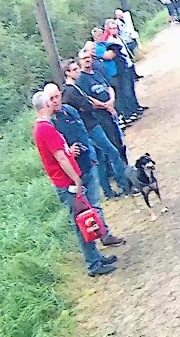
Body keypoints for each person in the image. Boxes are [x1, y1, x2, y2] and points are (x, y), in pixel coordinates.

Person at [32, 90, 123, 277]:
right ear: (46, 105)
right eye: (50, 100)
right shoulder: (46, 129)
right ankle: (93, 264)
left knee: (86, 218)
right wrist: (76, 178)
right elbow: (61, 157)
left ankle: (96, 257)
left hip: (67, 181)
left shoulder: (44, 127)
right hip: (67, 183)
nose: (54, 102)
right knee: (81, 222)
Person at [45, 83, 129, 240]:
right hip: (70, 173)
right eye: (51, 98)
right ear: (46, 101)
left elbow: (84, 133)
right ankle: (93, 255)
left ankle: (105, 235)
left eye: (57, 96)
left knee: (96, 205)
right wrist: (68, 150)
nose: (55, 101)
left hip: (87, 164)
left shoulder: (70, 111)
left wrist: (91, 156)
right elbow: (54, 151)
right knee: (81, 214)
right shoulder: (50, 123)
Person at [63, 59, 130, 197]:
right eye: (74, 70)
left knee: (100, 159)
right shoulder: (70, 91)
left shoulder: (74, 88)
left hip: (89, 125)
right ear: (67, 73)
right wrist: (94, 106)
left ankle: (107, 191)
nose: (78, 72)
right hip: (90, 127)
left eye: (77, 69)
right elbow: (86, 105)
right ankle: (124, 185)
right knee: (113, 153)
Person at [75, 51, 128, 164]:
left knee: (119, 141)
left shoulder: (97, 74)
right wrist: (104, 105)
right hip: (100, 116)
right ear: (80, 61)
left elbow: (109, 87)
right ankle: (121, 172)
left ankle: (127, 168)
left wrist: (111, 101)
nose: (87, 60)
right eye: (84, 58)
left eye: (88, 57)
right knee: (112, 144)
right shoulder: (81, 80)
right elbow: (87, 98)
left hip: (111, 112)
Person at [94, 27, 140, 121]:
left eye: (101, 34)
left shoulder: (105, 44)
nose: (100, 37)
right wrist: (114, 51)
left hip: (118, 71)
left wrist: (113, 50)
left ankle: (129, 112)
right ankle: (123, 116)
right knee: (118, 96)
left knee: (124, 93)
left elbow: (117, 48)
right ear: (94, 38)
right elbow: (108, 56)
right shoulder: (97, 48)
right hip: (110, 74)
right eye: (98, 36)